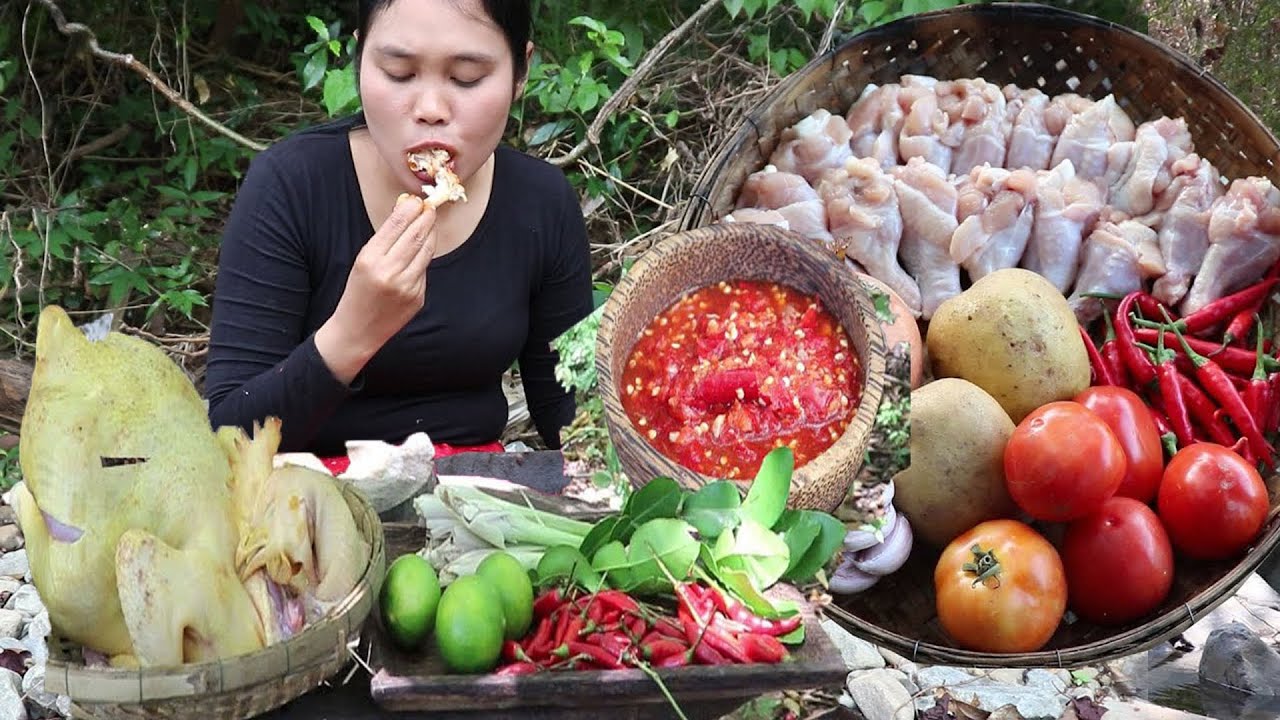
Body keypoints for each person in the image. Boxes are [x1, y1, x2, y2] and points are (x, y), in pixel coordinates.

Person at [204, 0, 594, 460]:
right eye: (398, 72)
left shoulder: (540, 202)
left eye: (467, 77)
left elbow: (574, 421)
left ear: (520, 72)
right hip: (304, 492)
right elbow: (229, 436)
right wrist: (352, 333)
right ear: (360, 60)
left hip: (479, 488)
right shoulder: (292, 186)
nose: (430, 109)